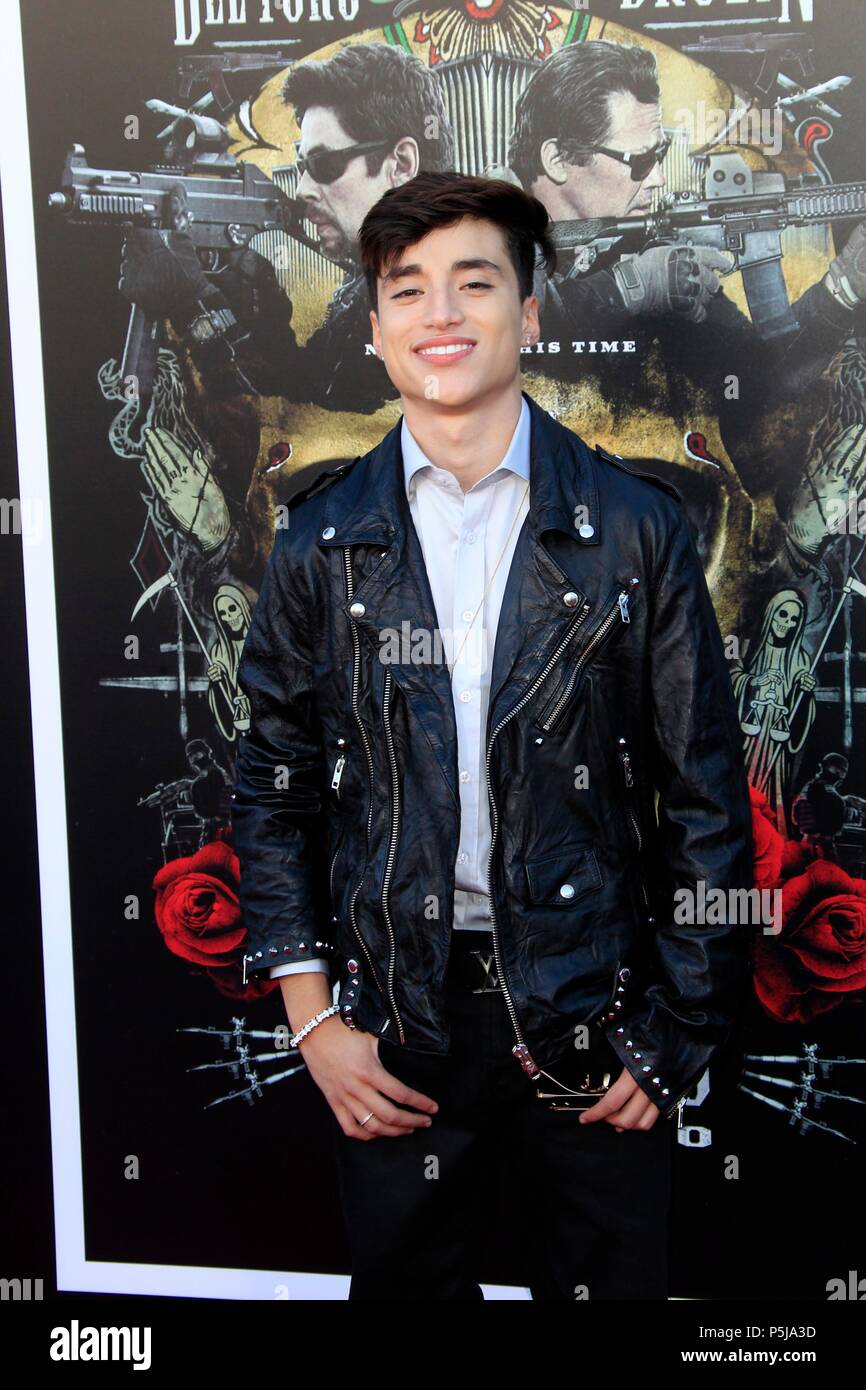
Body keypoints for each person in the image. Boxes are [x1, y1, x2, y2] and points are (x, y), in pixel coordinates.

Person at [230, 170, 755, 1300]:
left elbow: (705, 795)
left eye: (475, 283)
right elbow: (272, 788)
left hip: (593, 1010)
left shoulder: (633, 525)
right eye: (406, 290)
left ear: (529, 313)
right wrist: (314, 1019)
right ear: (373, 330)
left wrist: (674, 1026)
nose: (441, 315)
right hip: (395, 1023)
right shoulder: (319, 538)